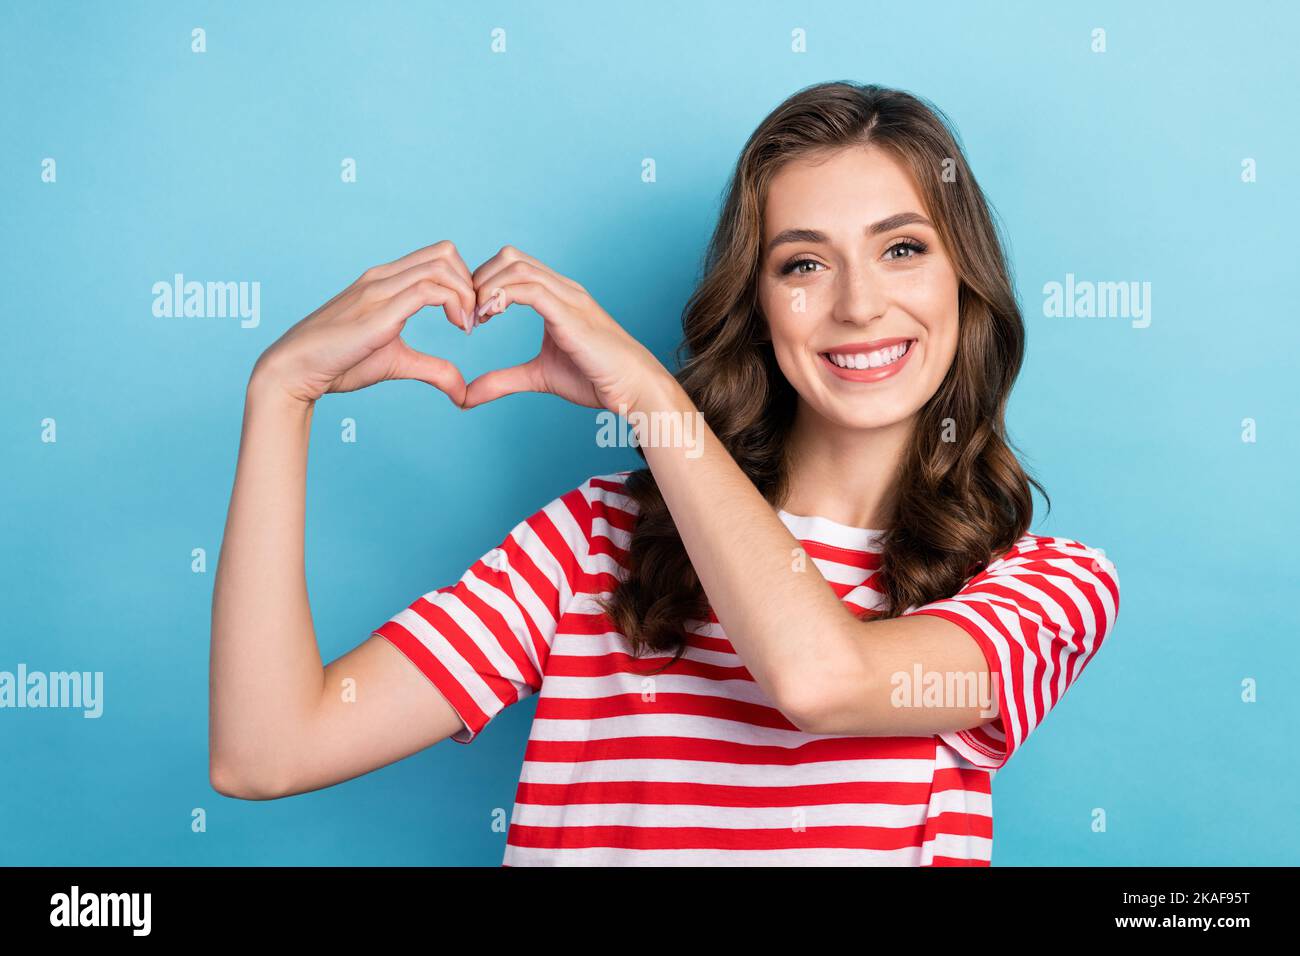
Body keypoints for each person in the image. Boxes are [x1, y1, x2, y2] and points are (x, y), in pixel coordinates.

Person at [209, 81, 1120, 865]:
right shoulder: (595, 542)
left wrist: (650, 399)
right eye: (803, 263)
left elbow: (822, 683)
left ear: (965, 284)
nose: (858, 303)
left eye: (902, 248)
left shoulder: (1047, 588)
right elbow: (266, 752)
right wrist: (281, 395)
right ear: (759, 306)